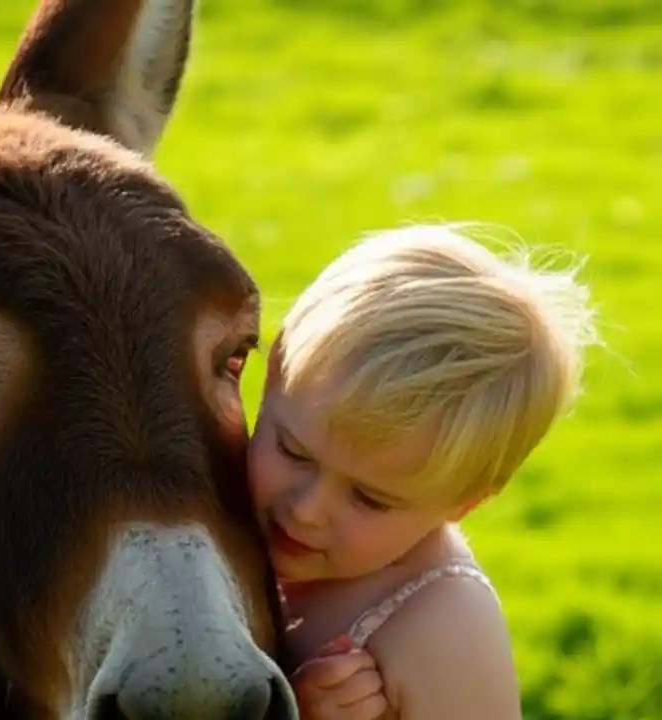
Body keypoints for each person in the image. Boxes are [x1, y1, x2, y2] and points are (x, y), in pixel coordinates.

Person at [245, 224, 598, 718]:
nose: (306, 510)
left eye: (368, 499)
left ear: (464, 502)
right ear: (272, 374)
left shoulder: (443, 627)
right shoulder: (218, 513)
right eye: (293, 451)